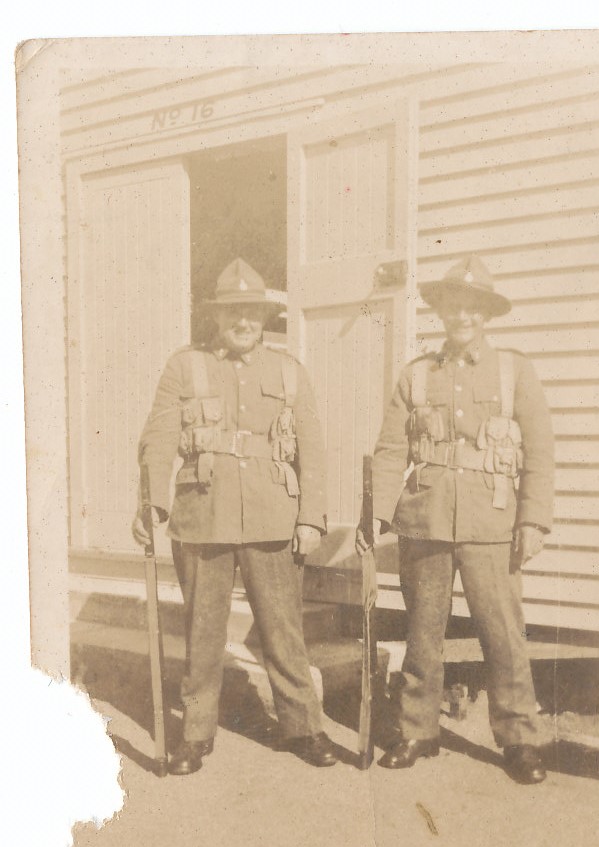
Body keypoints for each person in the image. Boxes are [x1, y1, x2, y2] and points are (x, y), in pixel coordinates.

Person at [133, 258, 338, 775]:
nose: (243, 322)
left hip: (274, 517)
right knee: (203, 632)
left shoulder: (289, 370)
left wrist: (311, 516)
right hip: (203, 514)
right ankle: (196, 735)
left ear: (264, 318)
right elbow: (158, 436)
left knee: (282, 628)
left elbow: (311, 447)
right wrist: (152, 502)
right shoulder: (186, 366)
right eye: (232, 313)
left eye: (251, 312)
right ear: (216, 318)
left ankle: (303, 727)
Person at [357, 254, 554, 784]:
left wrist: (533, 521)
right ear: (440, 313)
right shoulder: (417, 375)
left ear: (485, 314)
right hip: (425, 517)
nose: (462, 317)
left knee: (503, 633)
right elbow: (392, 447)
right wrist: (374, 514)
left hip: (493, 522)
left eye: (472, 308)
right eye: (452, 307)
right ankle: (418, 730)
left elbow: (539, 451)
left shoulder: (514, 371)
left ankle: (519, 738)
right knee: (423, 632)